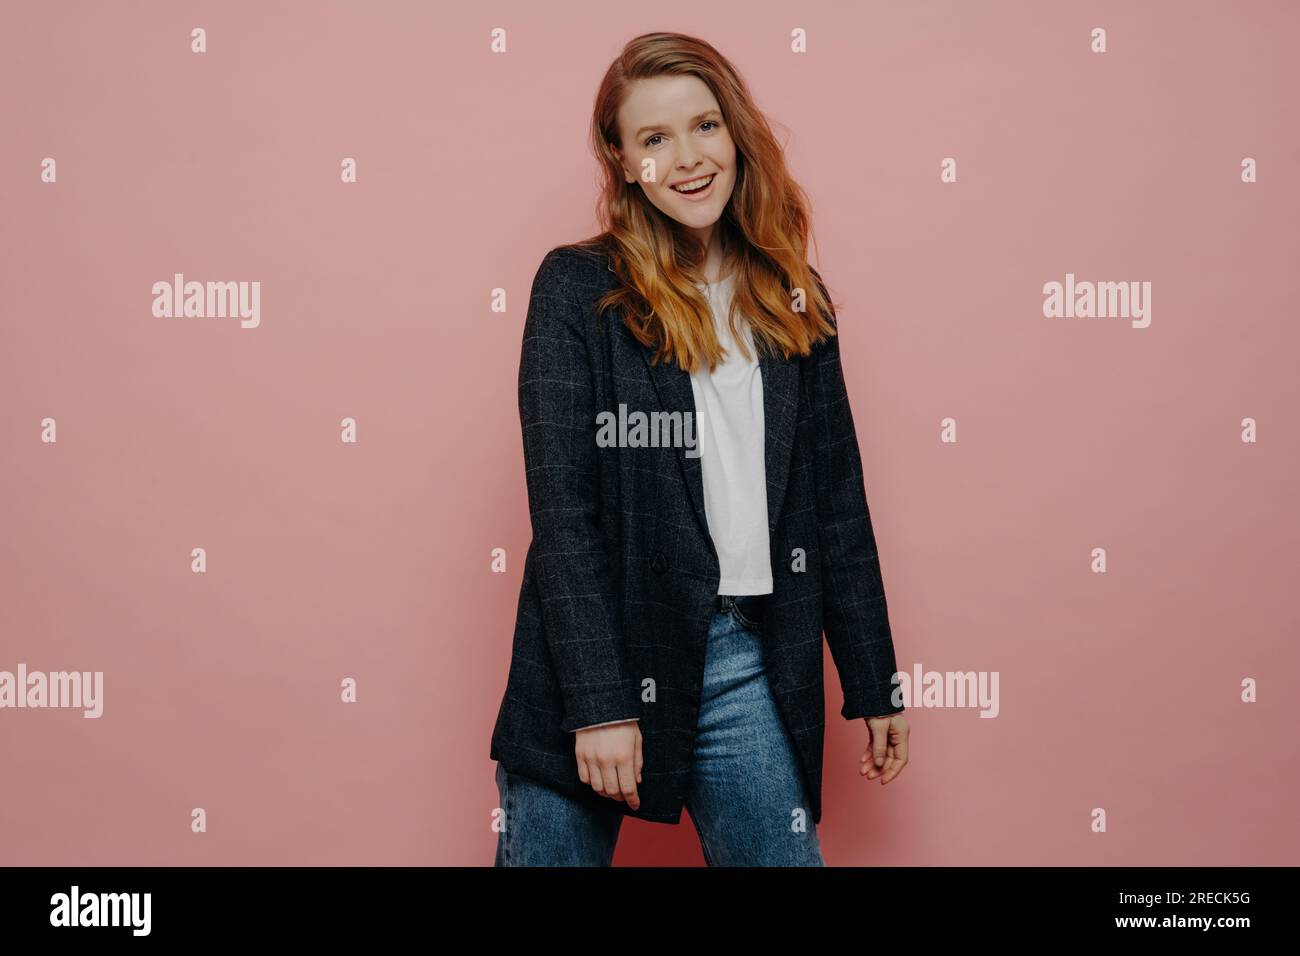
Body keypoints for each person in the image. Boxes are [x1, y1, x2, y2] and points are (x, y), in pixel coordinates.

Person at [490, 31, 910, 867]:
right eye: (654, 138)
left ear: (735, 133)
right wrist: (601, 704)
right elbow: (563, 513)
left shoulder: (795, 297)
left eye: (704, 126)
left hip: (742, 656)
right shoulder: (577, 288)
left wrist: (873, 679)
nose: (687, 158)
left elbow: (837, 503)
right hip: (593, 657)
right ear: (623, 161)